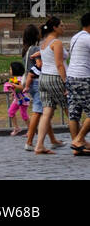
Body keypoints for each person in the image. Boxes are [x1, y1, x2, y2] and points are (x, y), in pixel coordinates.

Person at [33, 16, 68, 155]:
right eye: (62, 25)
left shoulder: (44, 42)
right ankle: (79, 140)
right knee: (70, 110)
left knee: (47, 112)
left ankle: (39, 145)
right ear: (55, 27)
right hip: (55, 78)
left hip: (43, 78)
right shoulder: (56, 42)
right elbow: (59, 64)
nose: (63, 27)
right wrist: (66, 82)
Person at [66, 11, 90, 155]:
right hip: (83, 78)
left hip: (71, 77)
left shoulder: (75, 37)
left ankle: (77, 147)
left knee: (74, 113)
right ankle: (79, 139)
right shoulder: (87, 38)